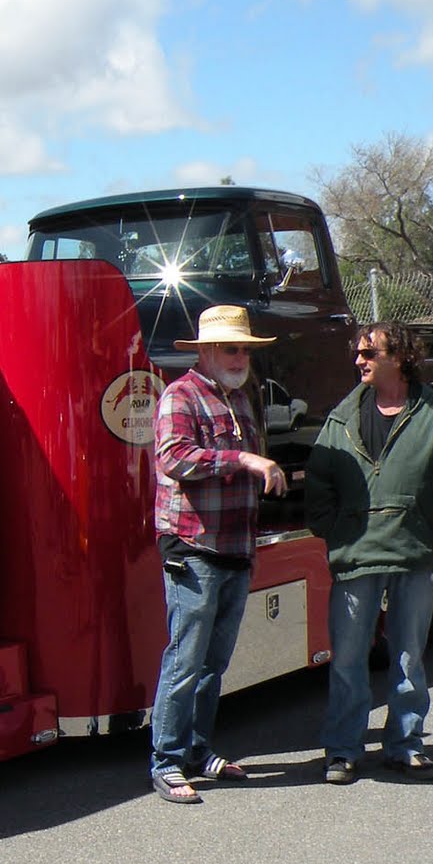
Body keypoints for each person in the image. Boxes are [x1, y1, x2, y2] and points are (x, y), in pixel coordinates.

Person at [305, 323, 433, 785]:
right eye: (357, 353)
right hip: (356, 556)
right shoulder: (341, 417)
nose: (359, 360)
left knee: (408, 658)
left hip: (415, 554)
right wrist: (333, 530)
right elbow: (319, 478)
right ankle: (342, 750)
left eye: (369, 352)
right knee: (346, 659)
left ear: (399, 357)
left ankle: (405, 745)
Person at [149, 304, 287, 803]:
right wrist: (246, 458)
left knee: (213, 663)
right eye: (231, 348)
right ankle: (166, 760)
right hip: (193, 548)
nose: (239, 356)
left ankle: (196, 750)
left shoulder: (239, 399)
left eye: (244, 348)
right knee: (186, 660)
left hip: (232, 547)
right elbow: (174, 458)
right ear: (205, 351)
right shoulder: (179, 395)